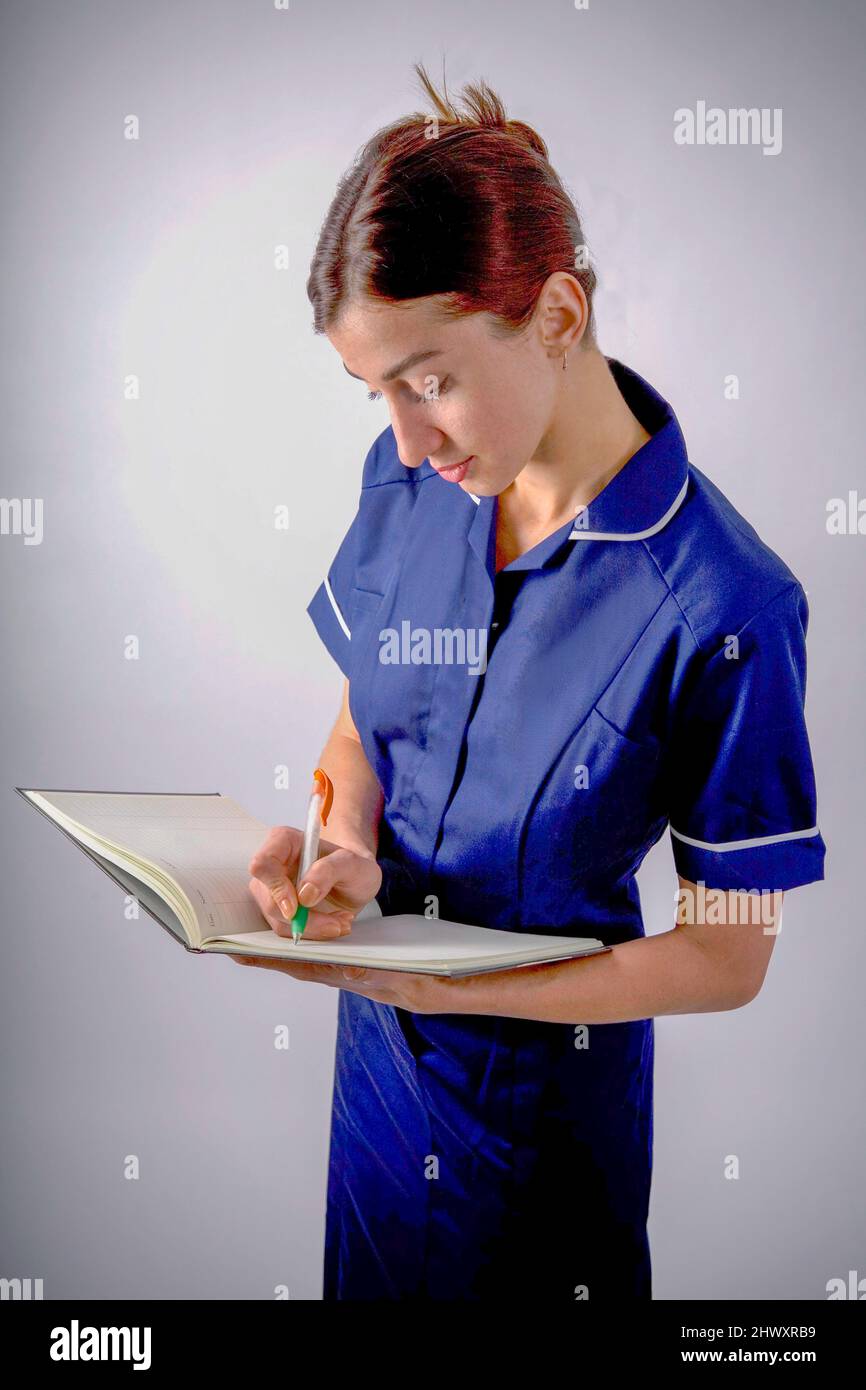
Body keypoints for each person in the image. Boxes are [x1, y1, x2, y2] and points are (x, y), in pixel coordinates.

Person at [230, 65, 826, 1301]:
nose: (403, 436)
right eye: (375, 391)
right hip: (379, 1094)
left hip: (542, 1133)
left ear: (554, 314)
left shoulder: (723, 605)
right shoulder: (408, 483)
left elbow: (728, 955)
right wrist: (346, 849)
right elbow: (359, 727)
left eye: (430, 377)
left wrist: (469, 983)